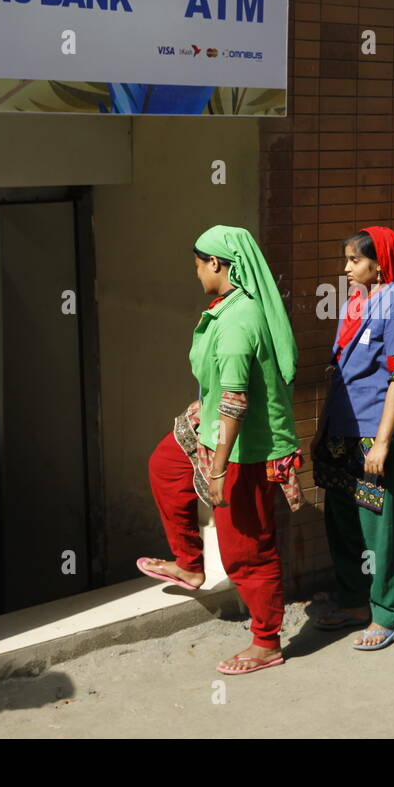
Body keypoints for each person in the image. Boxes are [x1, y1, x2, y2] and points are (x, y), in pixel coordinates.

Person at [139, 226, 305, 675]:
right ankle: (190, 565)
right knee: (166, 465)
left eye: (197, 265)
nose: (195, 273)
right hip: (213, 426)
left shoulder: (237, 321)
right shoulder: (228, 307)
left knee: (246, 547)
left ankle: (267, 642)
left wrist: (215, 470)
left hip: (242, 448)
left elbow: (235, 399)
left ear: (217, 264)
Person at [312, 227, 394, 650]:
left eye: (354, 260)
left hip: (370, 437)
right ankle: (356, 601)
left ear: (379, 263)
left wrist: (382, 441)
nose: (346, 268)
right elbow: (337, 373)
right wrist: (323, 428)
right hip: (342, 432)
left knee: (378, 526)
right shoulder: (356, 304)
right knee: (342, 523)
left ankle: (386, 612)